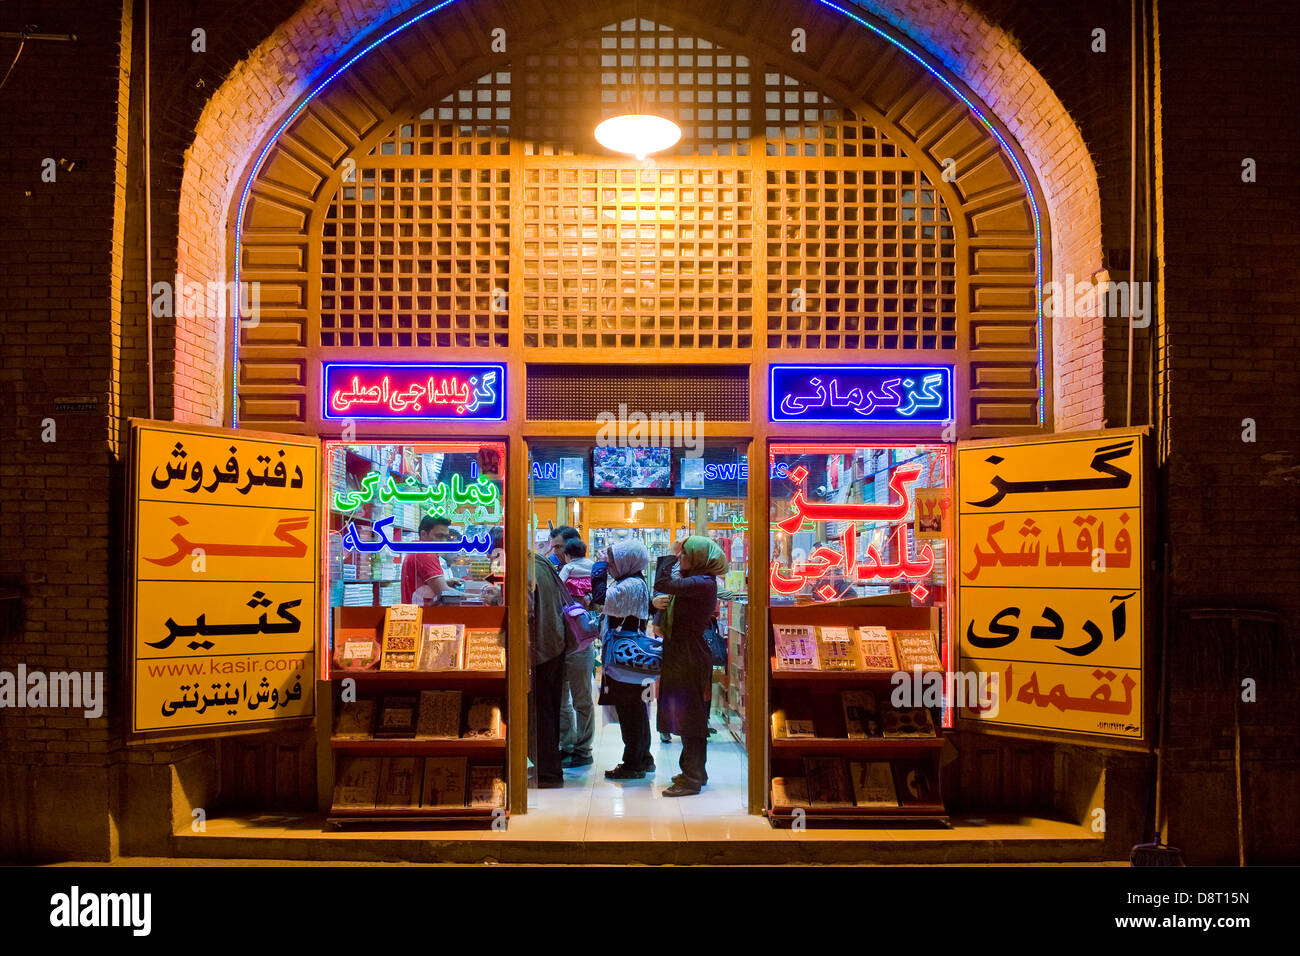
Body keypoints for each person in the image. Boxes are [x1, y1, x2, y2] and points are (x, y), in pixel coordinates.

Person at [652, 535, 727, 796]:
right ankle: (694, 771)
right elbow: (665, 596)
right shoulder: (695, 583)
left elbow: (662, 582)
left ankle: (692, 776)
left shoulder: (703, 583)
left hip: (689, 655)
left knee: (691, 717)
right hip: (681, 652)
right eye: (680, 555)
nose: (680, 559)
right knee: (686, 715)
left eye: (684, 555)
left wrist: (671, 553)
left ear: (697, 558)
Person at [598, 539, 654, 779]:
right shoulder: (633, 582)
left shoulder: (630, 584)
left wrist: (598, 569)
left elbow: (601, 598)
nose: (609, 564)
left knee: (630, 709)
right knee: (635, 708)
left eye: (613, 559)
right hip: (630, 658)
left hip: (625, 659)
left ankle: (633, 763)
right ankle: (642, 757)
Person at [527, 551, 568, 788]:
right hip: (554, 643)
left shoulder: (525, 567)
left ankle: (548, 773)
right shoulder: (540, 561)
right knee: (548, 710)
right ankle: (550, 768)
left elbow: (526, 610)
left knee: (539, 712)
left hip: (539, 649)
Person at [557, 536, 596, 769]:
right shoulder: (591, 567)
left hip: (576, 643)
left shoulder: (566, 569)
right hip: (568, 641)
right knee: (571, 699)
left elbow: (559, 589)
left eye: (559, 547)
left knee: (577, 699)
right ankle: (572, 745)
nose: (556, 551)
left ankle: (580, 748)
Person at [399, 515, 462, 605]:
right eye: (439, 536)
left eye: (445, 537)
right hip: (425, 616)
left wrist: (444, 583)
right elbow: (445, 593)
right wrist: (478, 597)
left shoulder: (416, 550)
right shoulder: (425, 554)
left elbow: (421, 585)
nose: (444, 542)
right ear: (423, 534)